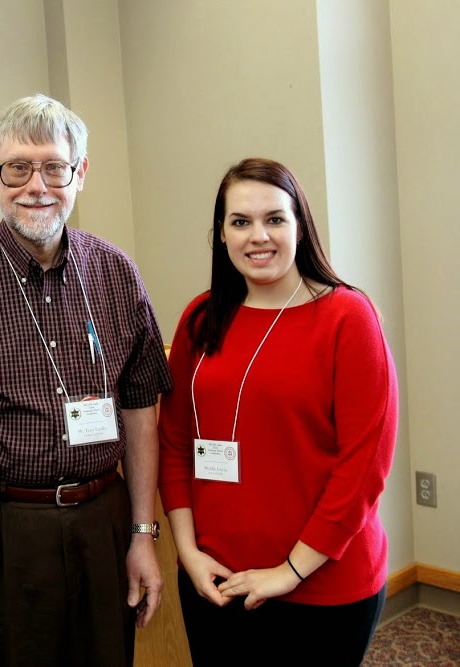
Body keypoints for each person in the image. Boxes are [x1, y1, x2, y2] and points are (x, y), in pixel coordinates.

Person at [0, 94, 172, 667]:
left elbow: (139, 408)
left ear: (80, 172)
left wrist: (142, 534)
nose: (36, 186)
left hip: (103, 518)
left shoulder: (116, 272)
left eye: (54, 166)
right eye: (17, 168)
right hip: (2, 532)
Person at [157, 157, 398, 666]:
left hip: (321, 587)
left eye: (274, 219)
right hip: (214, 579)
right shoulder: (200, 319)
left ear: (300, 226)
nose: (257, 236)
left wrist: (290, 570)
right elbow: (175, 442)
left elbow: (363, 467)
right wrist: (188, 554)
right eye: (240, 222)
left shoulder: (347, 317)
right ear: (220, 235)